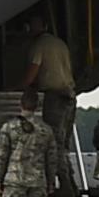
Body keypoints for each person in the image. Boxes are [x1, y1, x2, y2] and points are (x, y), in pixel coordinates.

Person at [19, 13, 77, 142]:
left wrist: (19, 88)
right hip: (70, 96)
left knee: (52, 139)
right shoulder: (61, 44)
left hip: (54, 97)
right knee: (64, 141)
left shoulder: (39, 45)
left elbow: (31, 75)